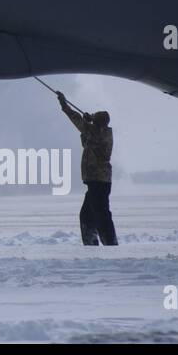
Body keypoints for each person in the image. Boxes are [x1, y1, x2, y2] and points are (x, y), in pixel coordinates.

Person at [57, 91, 117, 246]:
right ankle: (92, 244)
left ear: (98, 123)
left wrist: (64, 104)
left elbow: (77, 120)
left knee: (101, 215)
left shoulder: (98, 132)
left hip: (99, 181)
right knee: (88, 216)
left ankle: (110, 245)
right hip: (97, 181)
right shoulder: (99, 132)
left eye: (95, 120)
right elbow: (86, 139)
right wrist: (90, 121)